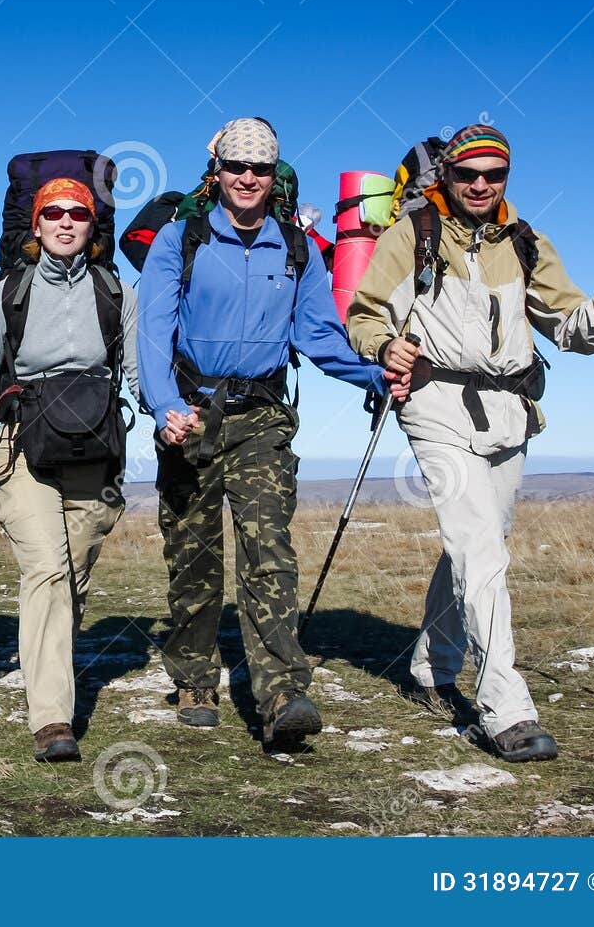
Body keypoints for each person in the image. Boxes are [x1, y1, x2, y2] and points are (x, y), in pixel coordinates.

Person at [345, 124, 594, 763]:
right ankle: (506, 708)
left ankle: (431, 667)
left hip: (511, 411)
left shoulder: (526, 242)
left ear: (507, 177)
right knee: (479, 548)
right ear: (447, 175)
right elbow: (365, 313)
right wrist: (385, 346)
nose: (481, 185)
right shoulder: (413, 234)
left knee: (478, 545)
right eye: (467, 174)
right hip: (434, 404)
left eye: (494, 174)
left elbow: (572, 327)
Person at [137, 117, 410, 747]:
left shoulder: (296, 248)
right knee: (194, 554)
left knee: (269, 553)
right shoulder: (180, 239)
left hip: (262, 418)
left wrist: (374, 374)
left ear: (274, 175)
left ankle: (283, 692)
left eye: (259, 168)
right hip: (190, 414)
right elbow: (153, 330)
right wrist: (165, 407)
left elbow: (318, 335)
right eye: (236, 166)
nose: (247, 178)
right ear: (217, 173)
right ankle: (195, 677)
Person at [0, 178, 138, 763]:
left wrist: (172, 418)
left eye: (77, 214)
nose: (65, 222)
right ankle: (52, 720)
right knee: (48, 572)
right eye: (53, 213)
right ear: (35, 225)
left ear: (91, 226)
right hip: (22, 447)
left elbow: (137, 374)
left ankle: (49, 665)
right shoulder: (5, 295)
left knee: (73, 577)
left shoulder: (117, 292)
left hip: (95, 450)